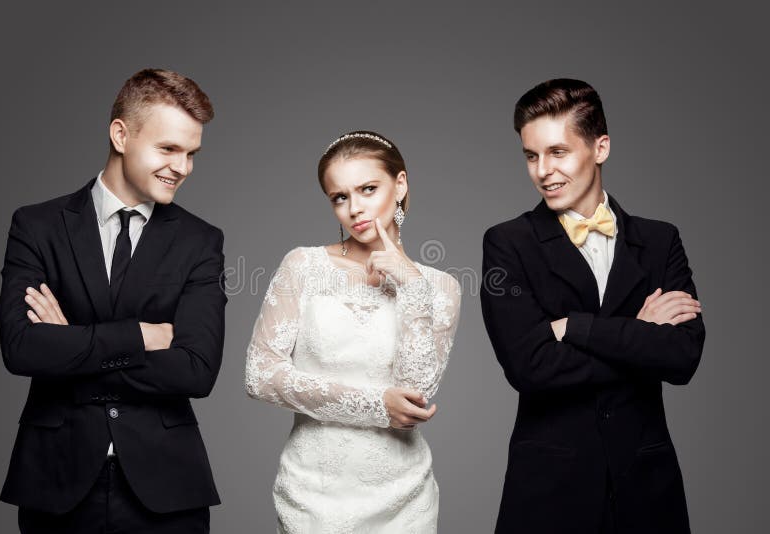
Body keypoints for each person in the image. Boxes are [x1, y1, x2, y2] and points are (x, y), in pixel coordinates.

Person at [0, 68, 226, 533]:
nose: (183, 167)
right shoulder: (37, 226)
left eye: (191, 154)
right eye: (168, 149)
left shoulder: (201, 241)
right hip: (55, 481)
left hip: (168, 489)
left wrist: (70, 344)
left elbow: (196, 370)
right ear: (120, 135)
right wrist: (139, 336)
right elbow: (21, 348)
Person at [480, 79, 705, 534]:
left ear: (600, 148)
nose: (543, 171)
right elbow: (530, 367)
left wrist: (577, 328)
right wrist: (638, 333)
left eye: (558, 152)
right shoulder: (507, 243)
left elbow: (682, 358)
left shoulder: (660, 240)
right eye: (531, 156)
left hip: (647, 488)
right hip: (550, 491)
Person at [245, 131, 461, 533]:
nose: (354, 208)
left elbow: (415, 394)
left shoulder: (439, 287)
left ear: (400, 185)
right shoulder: (302, 266)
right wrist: (376, 404)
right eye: (339, 197)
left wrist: (412, 287)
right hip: (312, 491)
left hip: (404, 497)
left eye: (368, 189)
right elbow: (260, 377)